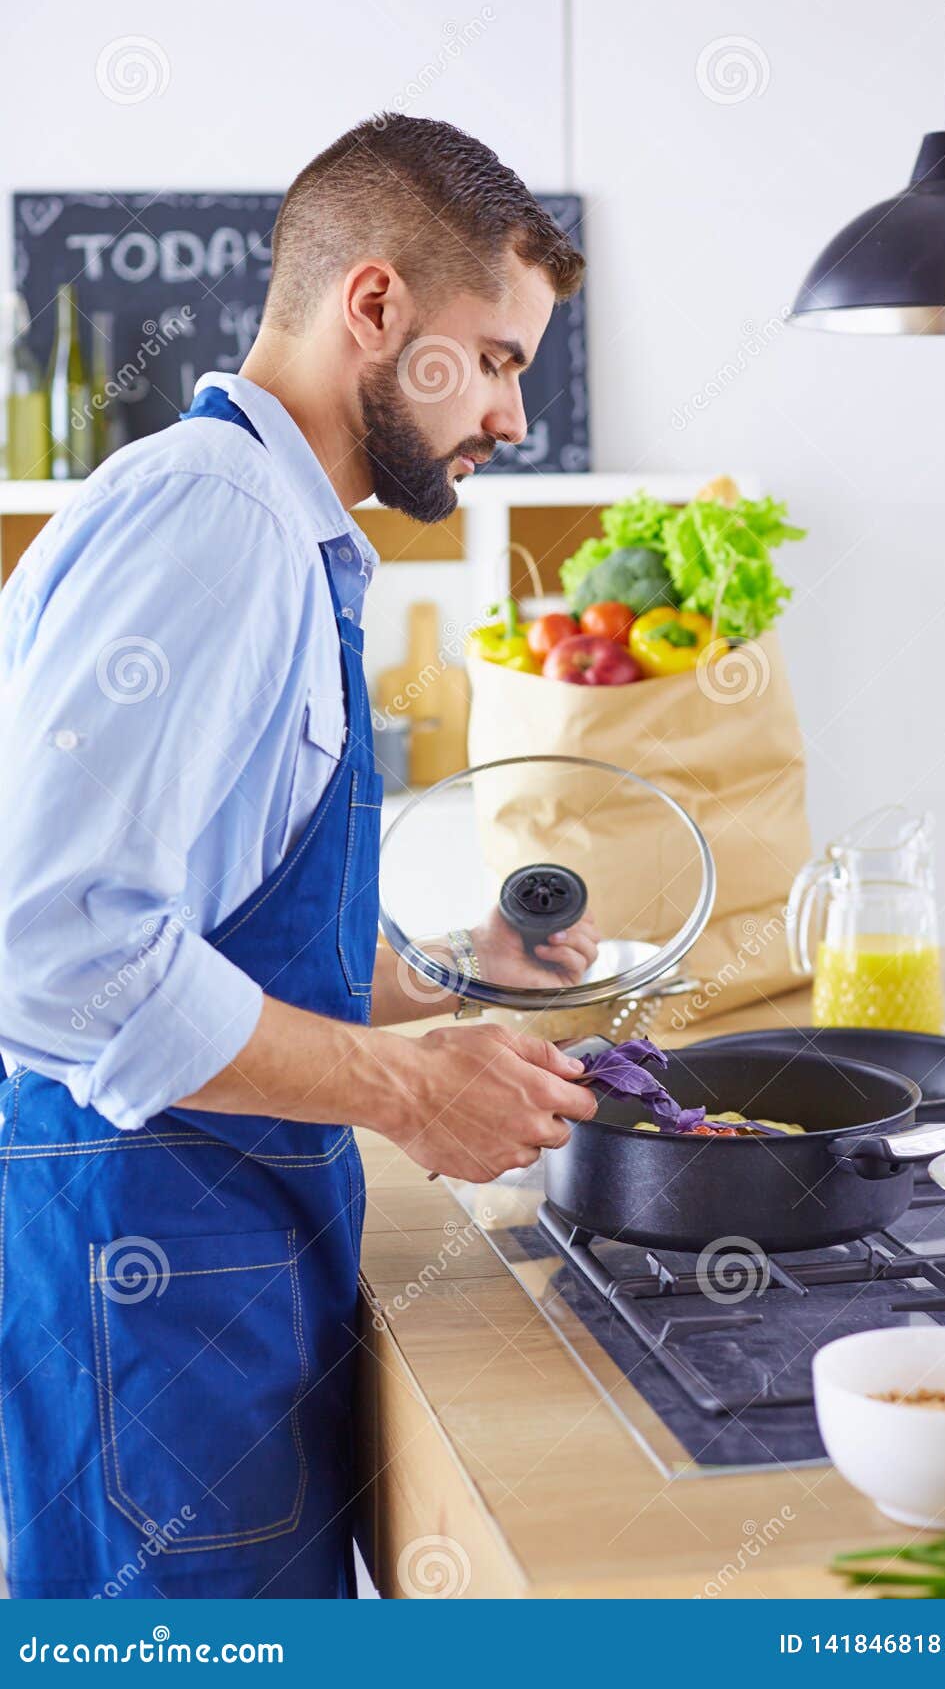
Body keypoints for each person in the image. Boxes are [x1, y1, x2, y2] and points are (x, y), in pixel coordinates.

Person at [0, 112, 598, 1599]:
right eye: (500, 357)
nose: (513, 420)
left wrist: (464, 977)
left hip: (222, 1244)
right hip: (141, 1258)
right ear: (377, 305)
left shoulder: (277, 528)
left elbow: (222, 918)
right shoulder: (216, 520)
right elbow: (57, 950)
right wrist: (406, 1086)